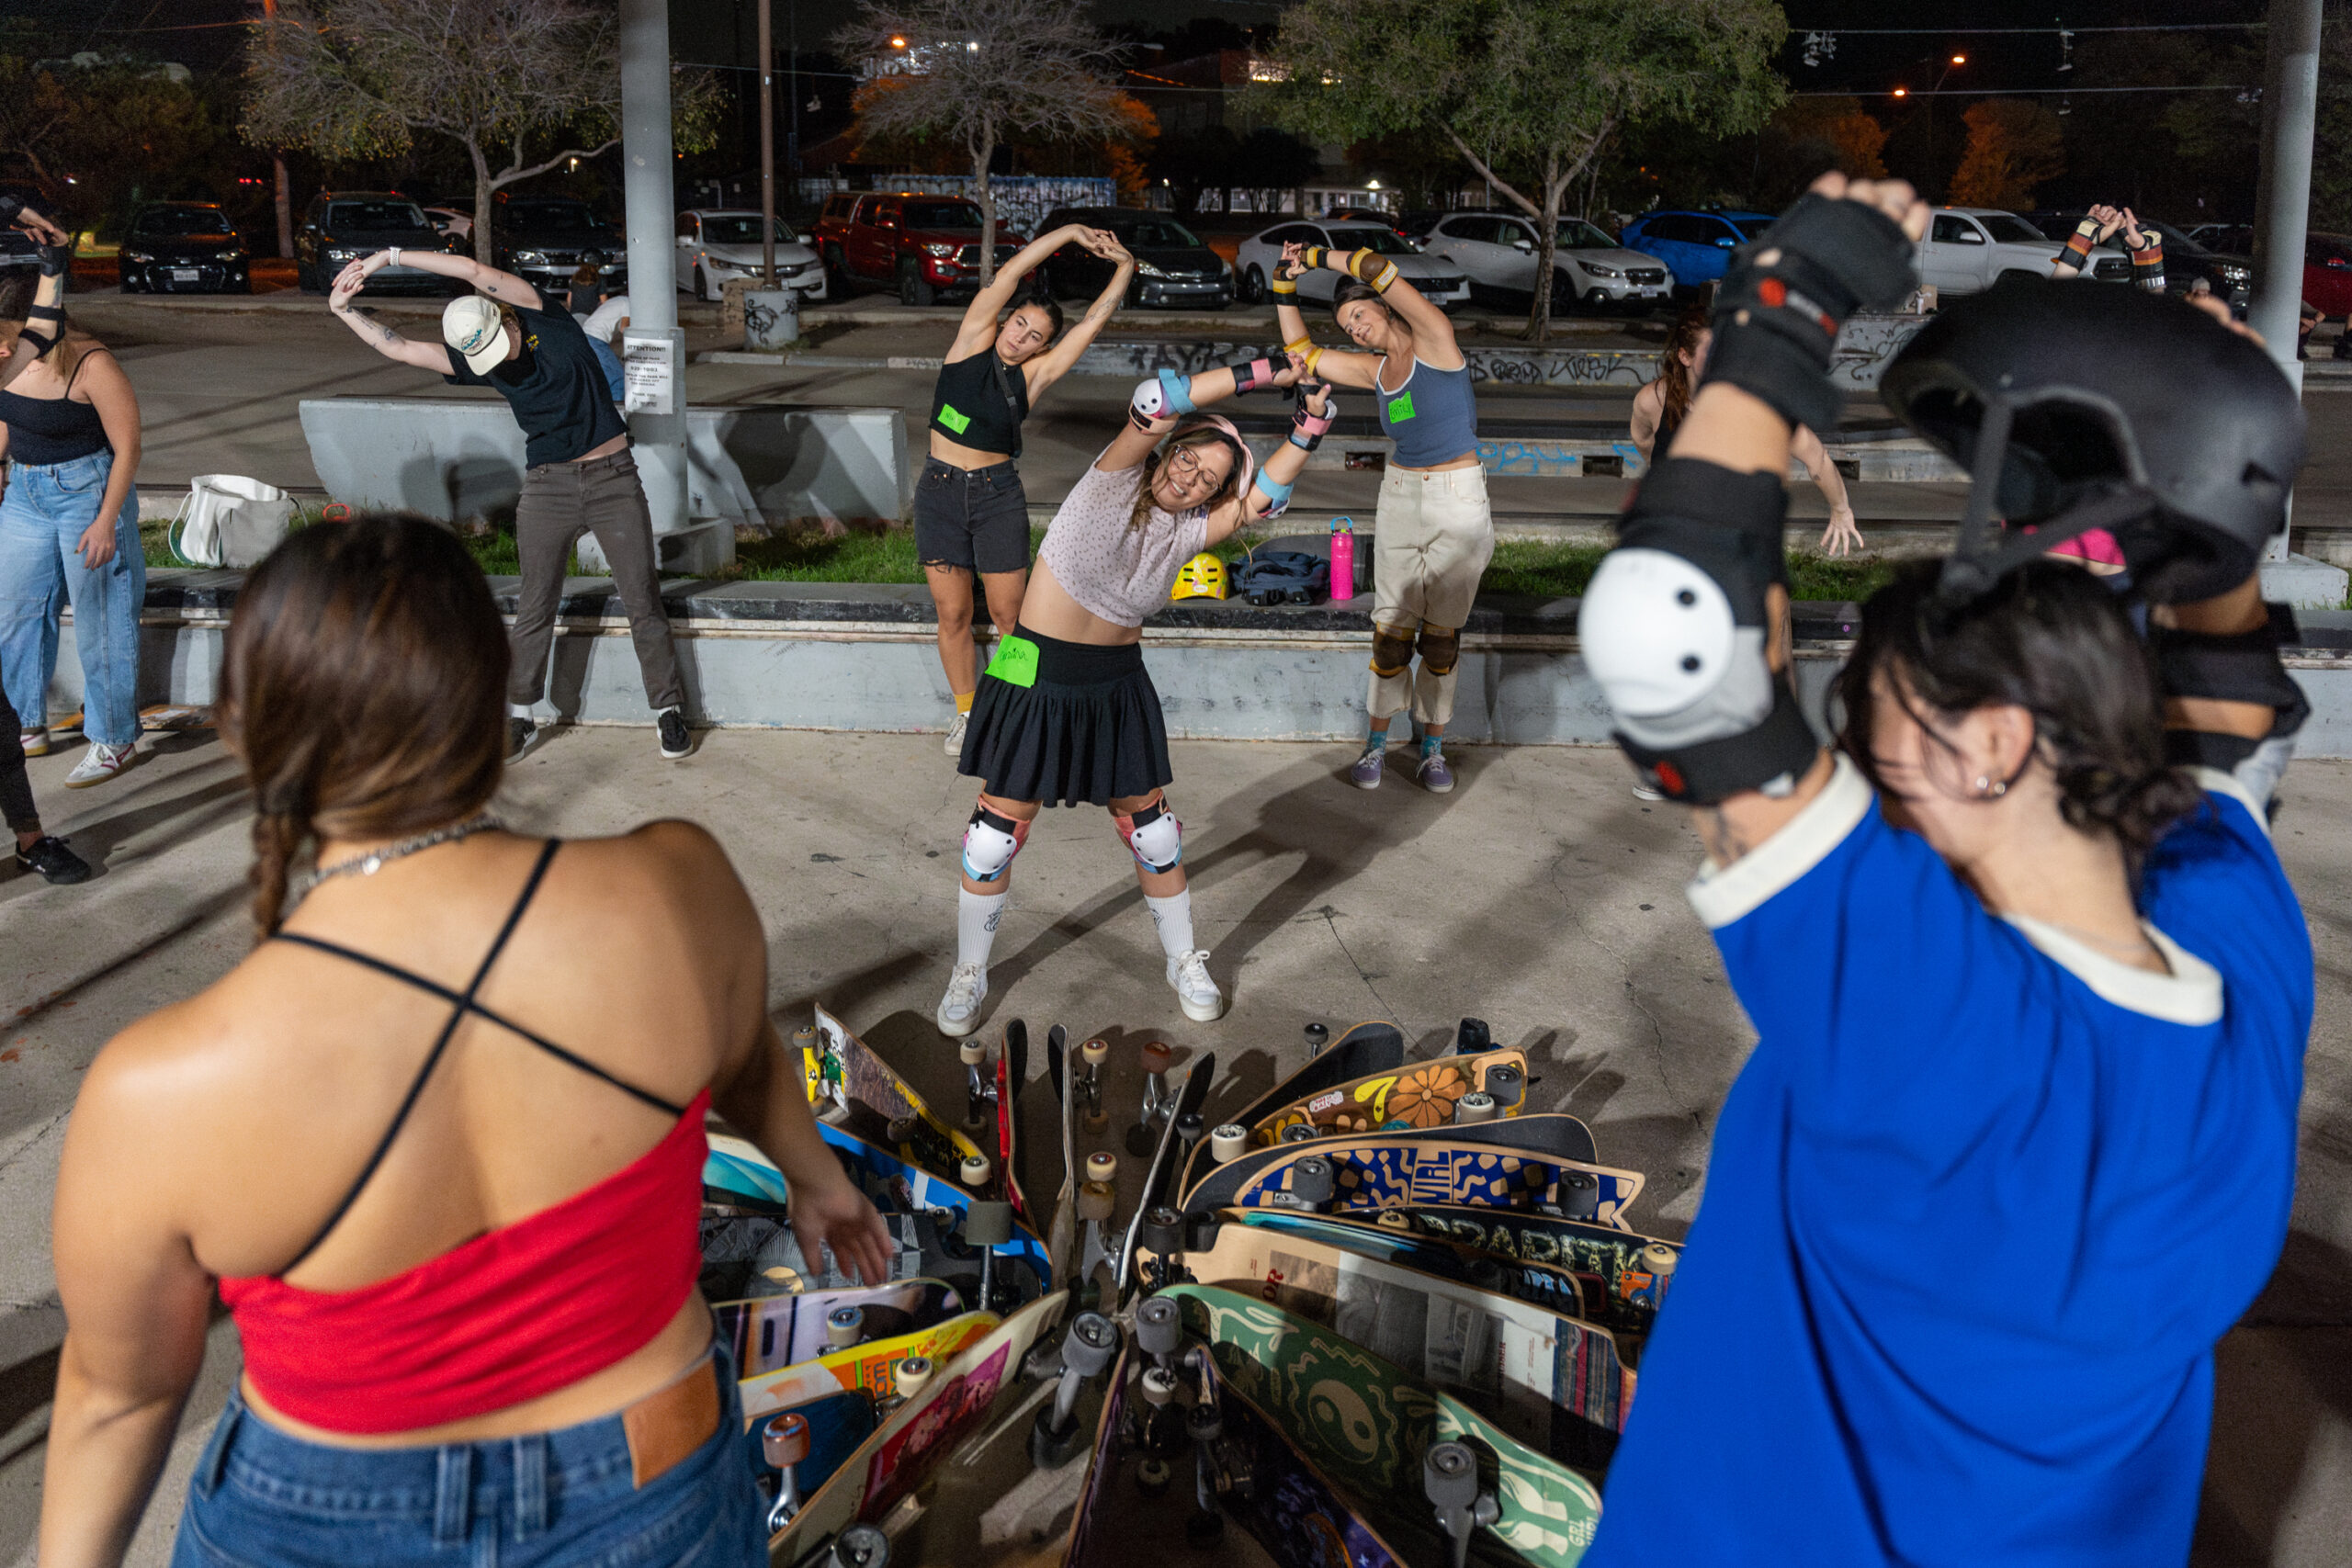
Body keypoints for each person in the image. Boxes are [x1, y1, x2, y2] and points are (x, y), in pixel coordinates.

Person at [1577, 175, 2312, 1568]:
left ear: (1991, 743)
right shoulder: (2236, 945)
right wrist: (2209, 449)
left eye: (1875, 722)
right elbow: (2230, 696)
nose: (1848, 763)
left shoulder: (1937, 1034)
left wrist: (1785, 306)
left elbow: (1671, 642)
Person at [38, 513, 891, 1568]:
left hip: (319, 1521)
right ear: (493, 701)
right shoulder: (677, 889)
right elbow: (744, 1055)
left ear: (245, 732)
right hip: (651, 1484)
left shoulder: (162, 1085)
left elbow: (119, 1402)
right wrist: (816, 1178)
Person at [935, 355, 1337, 1036]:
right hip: (1038, 677)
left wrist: (1309, 426)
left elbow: (1263, 497)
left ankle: (1183, 960)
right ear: (1169, 450)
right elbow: (1159, 398)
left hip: (1116, 687)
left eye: (1208, 480)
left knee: (1155, 837)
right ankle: (969, 972)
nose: (1190, 480)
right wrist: (1264, 372)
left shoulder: (1191, 530)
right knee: (990, 842)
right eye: (1188, 462)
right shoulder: (1112, 480)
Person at [327, 246, 692, 762]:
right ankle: (520, 715)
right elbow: (403, 348)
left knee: (641, 599)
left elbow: (473, 271)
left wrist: (390, 257)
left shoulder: (545, 315)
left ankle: (667, 710)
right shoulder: (482, 360)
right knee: (535, 606)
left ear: (506, 319)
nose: (502, 360)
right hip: (547, 488)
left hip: (614, 480)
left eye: (502, 344)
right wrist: (344, 311)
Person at [1273, 238, 1487, 793]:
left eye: (1361, 315)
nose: (1356, 329)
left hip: (1457, 496)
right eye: (1347, 325)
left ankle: (1432, 748)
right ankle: (1375, 744)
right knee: (1391, 630)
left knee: (1441, 635)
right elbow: (1304, 353)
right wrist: (1283, 286)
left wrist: (1315, 260)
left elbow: (1375, 267)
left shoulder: (1436, 342)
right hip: (1399, 495)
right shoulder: (1375, 372)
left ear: (1386, 309)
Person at [922, 224, 1136, 757]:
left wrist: (1124, 268)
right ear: (1007, 317)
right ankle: (968, 714)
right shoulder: (972, 338)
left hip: (998, 497)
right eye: (1019, 323)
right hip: (940, 492)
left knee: (1007, 617)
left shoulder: (1034, 377)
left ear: (1043, 345)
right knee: (952, 614)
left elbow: (1091, 323)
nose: (1020, 337)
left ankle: (1014, 713)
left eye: (1035, 335)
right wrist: (1067, 233)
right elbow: (1012, 272)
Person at [0, 219, 145, 788]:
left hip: (87, 492)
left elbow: (129, 444)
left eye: (11, 331)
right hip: (26, 495)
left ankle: (114, 737)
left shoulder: (91, 363)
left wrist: (108, 520)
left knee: (102, 620)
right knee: (16, 612)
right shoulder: (10, 360)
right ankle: (25, 725)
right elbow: (8, 421)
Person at [1630, 305, 1862, 557]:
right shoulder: (1653, 400)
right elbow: (1643, 440)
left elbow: (1816, 457)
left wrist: (1841, 510)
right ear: (1685, 357)